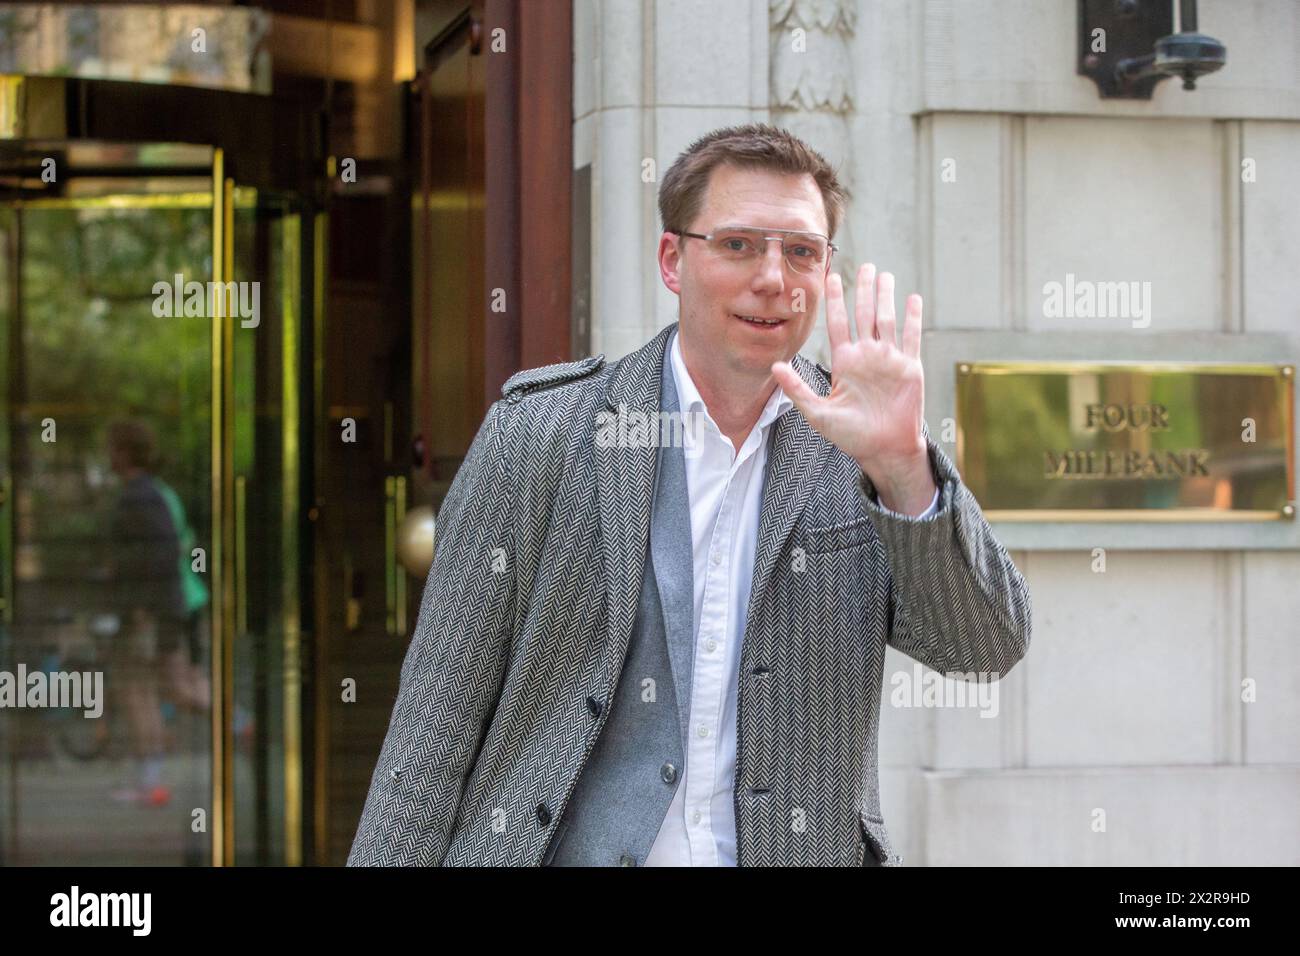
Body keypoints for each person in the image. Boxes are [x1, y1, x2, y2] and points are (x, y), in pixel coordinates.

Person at [348, 123, 1032, 867]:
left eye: (801, 251)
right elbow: (433, 726)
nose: (774, 277)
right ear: (673, 260)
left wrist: (904, 467)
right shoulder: (538, 434)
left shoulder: (863, 447)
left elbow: (982, 652)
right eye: (739, 244)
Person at [105, 419, 184, 807]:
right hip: (150, 611)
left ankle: (149, 782)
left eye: (112, 447)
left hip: (143, 614)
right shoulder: (147, 495)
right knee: (146, 692)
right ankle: (150, 780)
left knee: (137, 692)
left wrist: (140, 606)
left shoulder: (139, 498)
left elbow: (161, 552)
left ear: (123, 452)